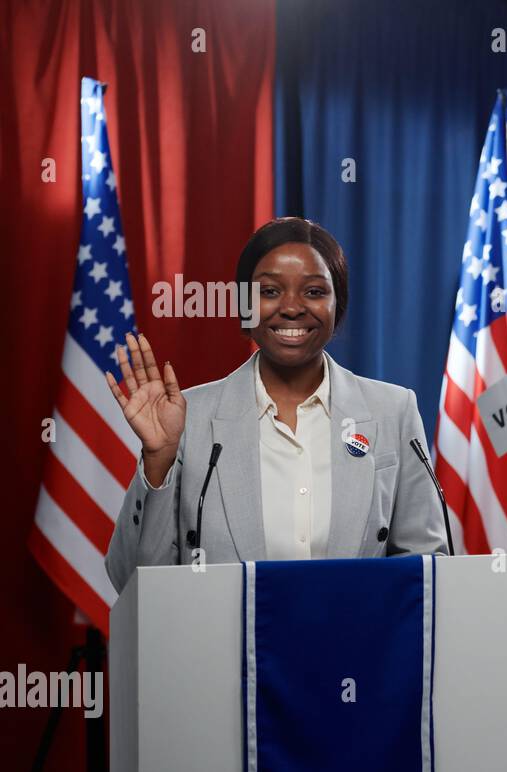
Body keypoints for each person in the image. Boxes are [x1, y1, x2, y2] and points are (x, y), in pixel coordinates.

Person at [105, 216, 447, 592]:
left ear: (339, 305)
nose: (292, 307)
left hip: (355, 648)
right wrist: (158, 460)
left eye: (314, 292)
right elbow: (131, 580)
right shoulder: (188, 417)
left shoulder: (392, 411)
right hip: (226, 651)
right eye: (269, 291)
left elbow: (427, 568)